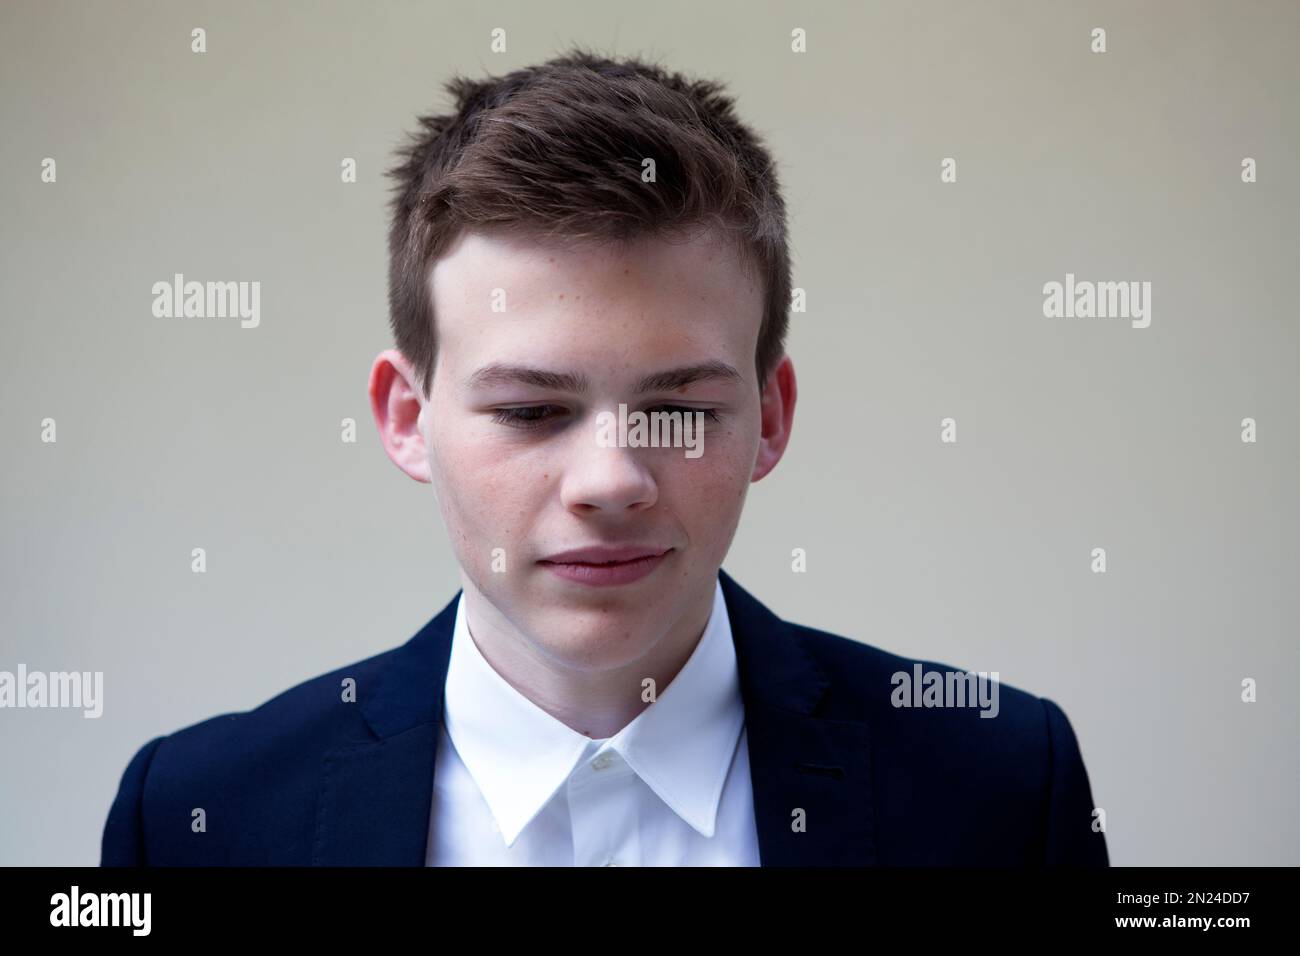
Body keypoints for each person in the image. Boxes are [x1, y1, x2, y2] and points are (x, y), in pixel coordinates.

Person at [102, 47, 1107, 866]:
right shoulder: (195, 820)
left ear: (769, 415)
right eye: (533, 409)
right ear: (406, 416)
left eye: (679, 407)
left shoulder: (1004, 788)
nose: (610, 481)